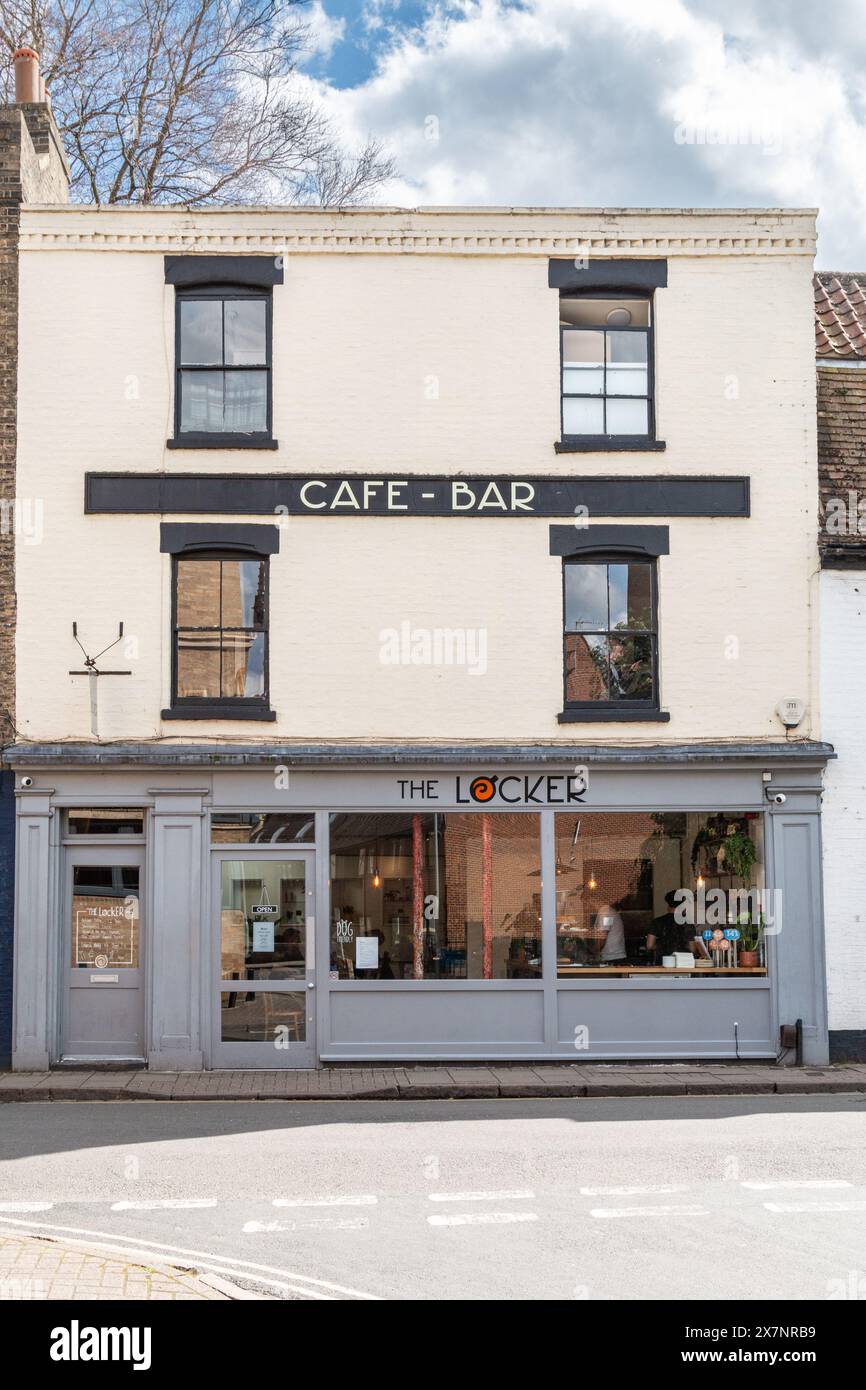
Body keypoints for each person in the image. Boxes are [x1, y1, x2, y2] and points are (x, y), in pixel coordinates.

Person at [646, 890, 705, 962]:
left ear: (668, 905)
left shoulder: (657, 922)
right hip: (683, 963)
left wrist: (662, 946)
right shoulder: (688, 924)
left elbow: (649, 945)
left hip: (664, 962)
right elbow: (692, 949)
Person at [593, 899, 627, 965]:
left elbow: (603, 935)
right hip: (614, 956)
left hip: (612, 957)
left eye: (586, 902)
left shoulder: (605, 912)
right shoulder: (607, 911)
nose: (587, 906)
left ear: (592, 899)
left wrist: (593, 953)